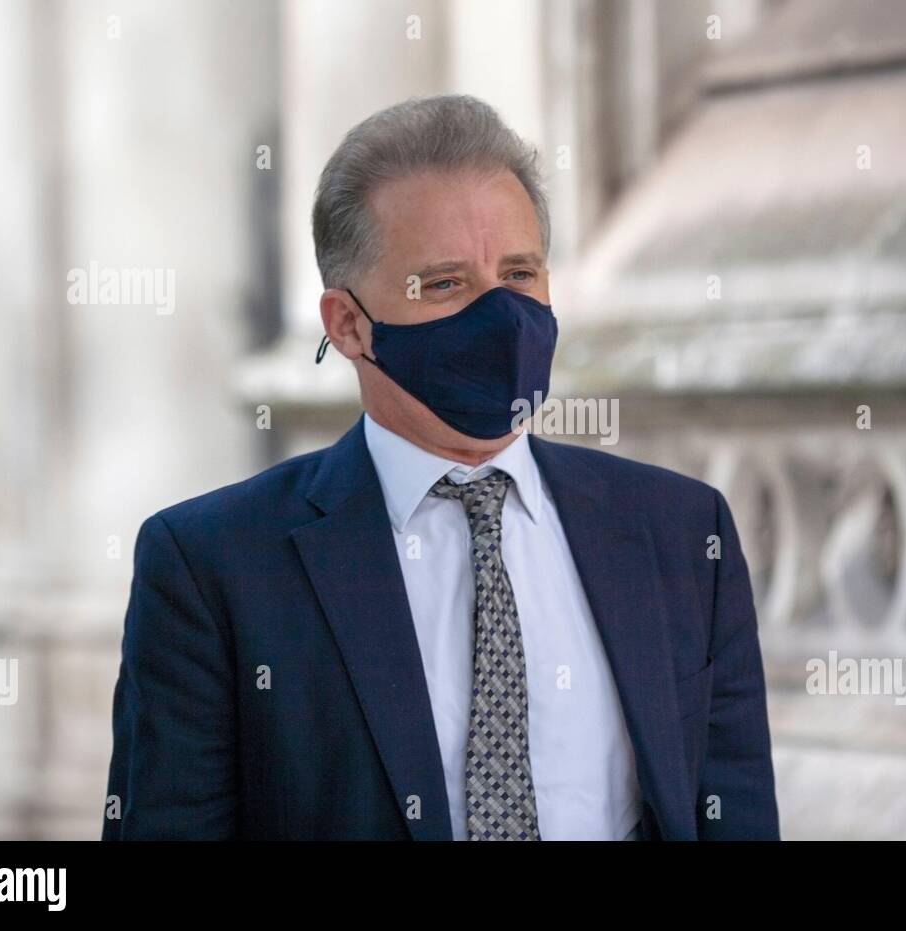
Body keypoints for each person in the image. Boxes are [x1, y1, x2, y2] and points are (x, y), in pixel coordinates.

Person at [101, 94, 779, 841]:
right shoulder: (213, 566)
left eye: (519, 274)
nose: (501, 315)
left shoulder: (681, 534)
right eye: (446, 284)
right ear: (349, 325)